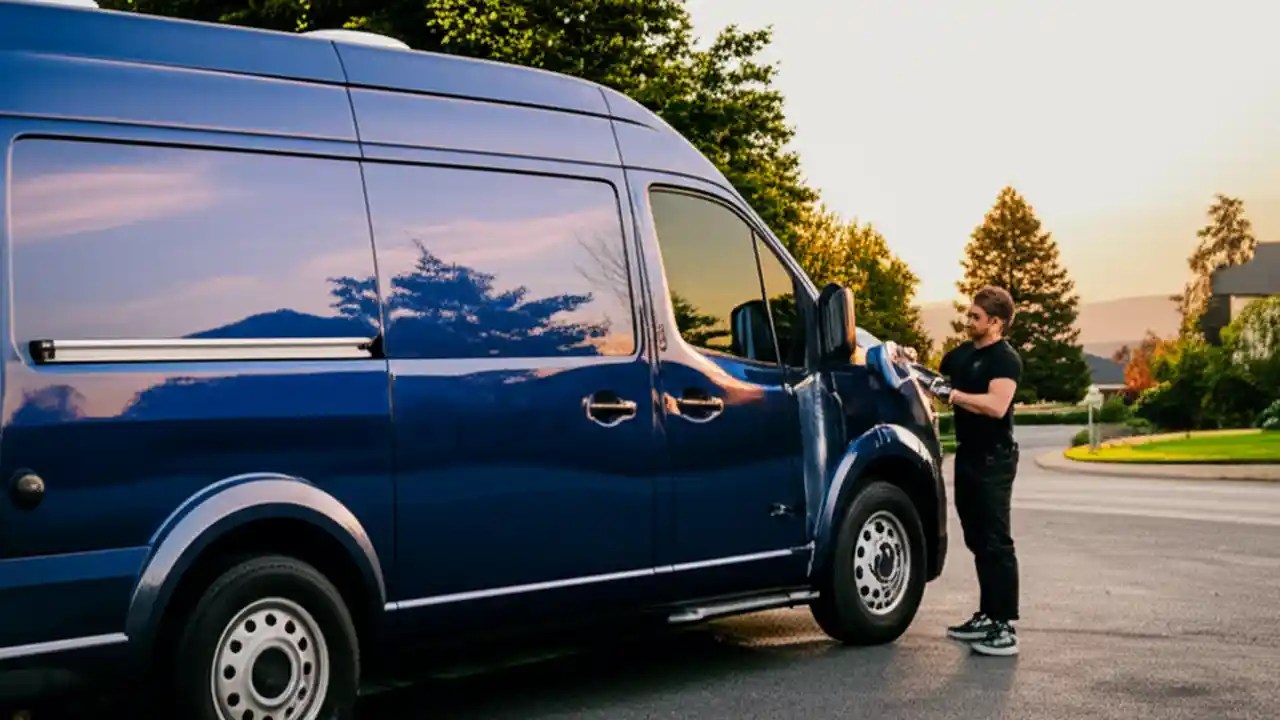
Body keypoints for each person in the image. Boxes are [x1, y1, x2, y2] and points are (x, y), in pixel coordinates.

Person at [934, 286, 1024, 657]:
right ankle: (987, 616)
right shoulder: (961, 356)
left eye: (976, 317)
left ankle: (1004, 627)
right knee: (976, 538)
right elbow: (931, 377)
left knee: (995, 540)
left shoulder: (1005, 360)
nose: (968, 321)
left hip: (995, 458)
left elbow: (996, 406)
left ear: (996, 323)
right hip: (968, 457)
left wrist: (955, 397)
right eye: (968, 314)